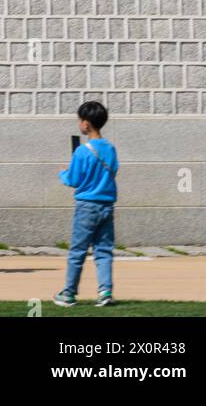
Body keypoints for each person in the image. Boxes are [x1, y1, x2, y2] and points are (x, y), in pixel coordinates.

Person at [54, 101, 119, 308]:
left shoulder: (81, 152)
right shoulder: (110, 148)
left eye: (81, 120)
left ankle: (69, 292)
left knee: (77, 251)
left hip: (86, 206)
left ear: (86, 124)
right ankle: (105, 291)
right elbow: (113, 171)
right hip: (107, 205)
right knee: (104, 250)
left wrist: (62, 173)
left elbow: (73, 180)